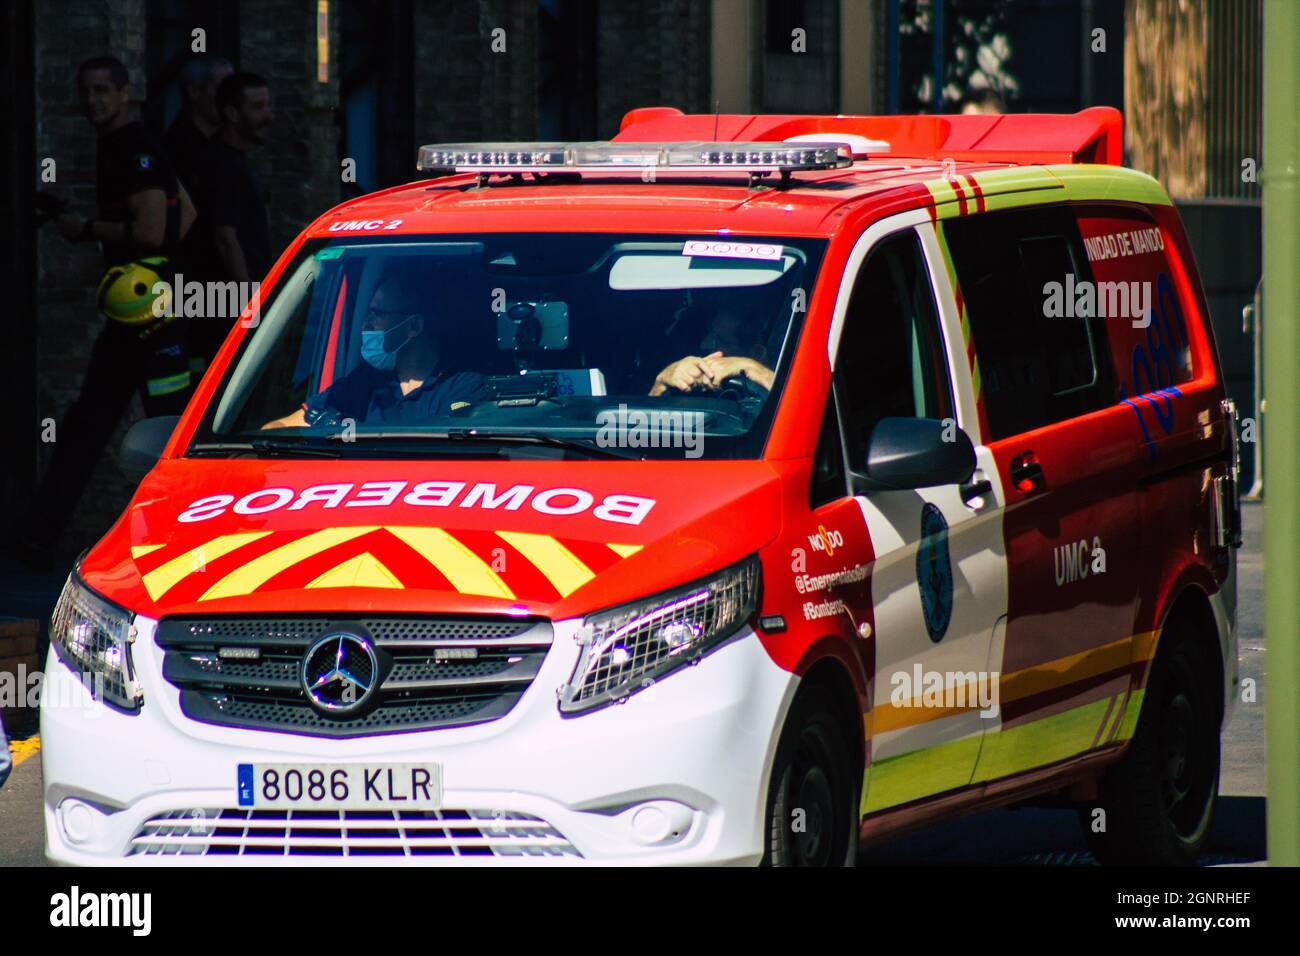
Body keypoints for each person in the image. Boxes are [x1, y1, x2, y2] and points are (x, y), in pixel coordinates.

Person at [13, 55, 197, 568]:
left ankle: (41, 537)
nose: (92, 101)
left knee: (124, 426)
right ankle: (44, 535)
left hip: (147, 314)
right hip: (155, 308)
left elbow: (151, 232)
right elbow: (189, 214)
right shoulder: (138, 146)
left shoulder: (130, 148)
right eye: (85, 92)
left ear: (124, 93)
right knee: (152, 425)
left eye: (102, 91)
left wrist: (85, 228)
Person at [262, 274, 488, 429]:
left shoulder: (463, 386)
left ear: (413, 326)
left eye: (376, 315)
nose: (365, 326)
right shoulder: (364, 382)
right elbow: (284, 426)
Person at [187, 71, 274, 367]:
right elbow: (225, 238)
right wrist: (250, 300)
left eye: (267, 105)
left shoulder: (236, 160)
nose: (267, 116)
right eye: (257, 107)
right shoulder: (220, 164)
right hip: (224, 303)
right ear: (232, 113)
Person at [649, 308, 774, 396]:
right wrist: (661, 385)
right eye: (711, 340)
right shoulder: (694, 387)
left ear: (757, 353)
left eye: (723, 343)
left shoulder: (776, 379)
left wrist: (752, 367)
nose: (709, 351)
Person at [163, 54, 233, 193]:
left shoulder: (229, 142)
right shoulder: (175, 149)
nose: (230, 97)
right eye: (222, 88)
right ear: (194, 91)